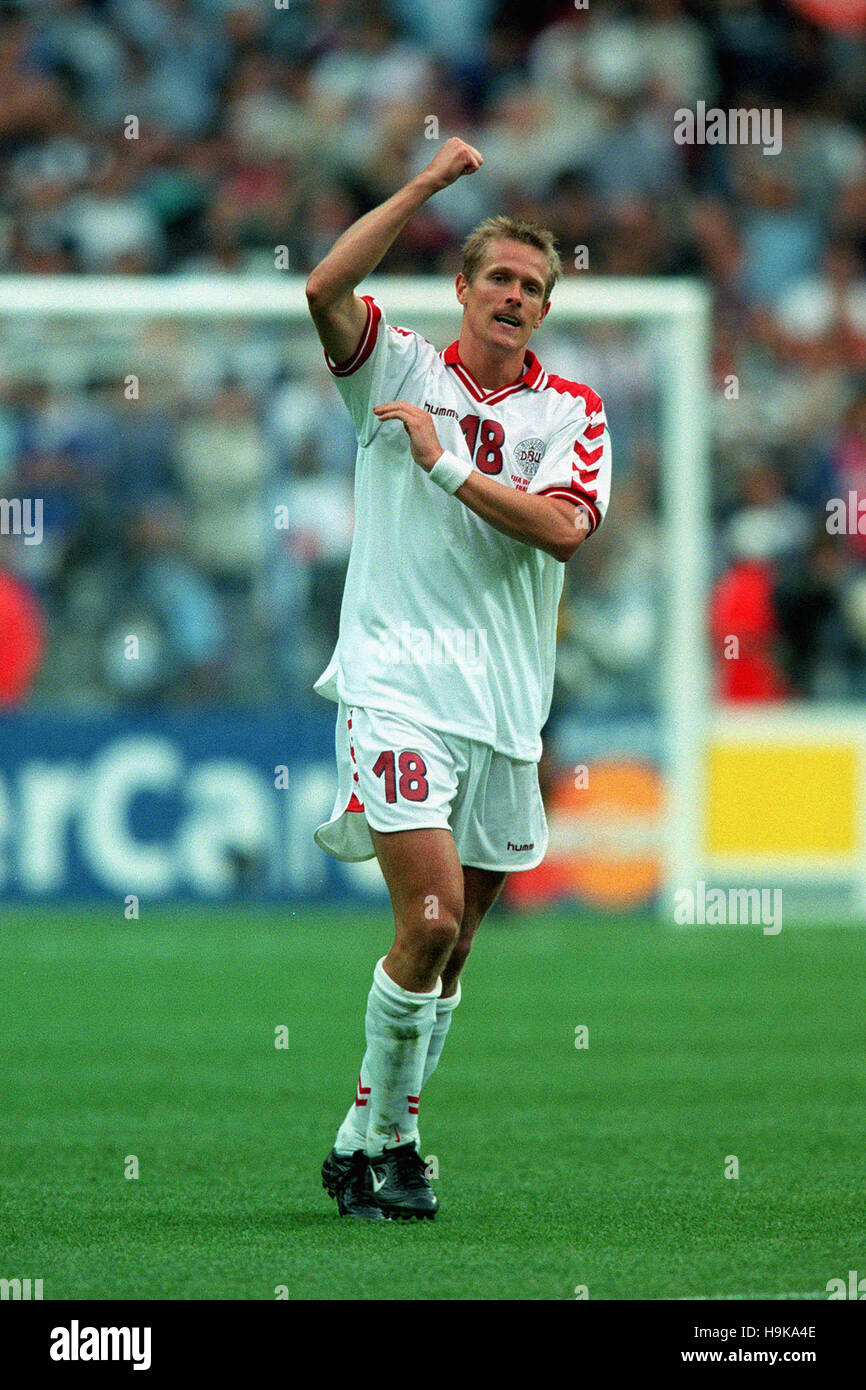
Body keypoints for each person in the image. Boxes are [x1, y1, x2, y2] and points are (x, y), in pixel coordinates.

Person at [305, 137, 612, 1220]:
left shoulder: (571, 412)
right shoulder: (397, 367)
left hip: (502, 708)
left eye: (534, 286)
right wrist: (428, 185)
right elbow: (323, 285)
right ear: (462, 288)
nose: (516, 298)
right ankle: (392, 1142)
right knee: (427, 918)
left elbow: (563, 530)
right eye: (499, 279)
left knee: (457, 945)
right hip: (394, 685)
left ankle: (361, 1132)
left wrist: (444, 460)